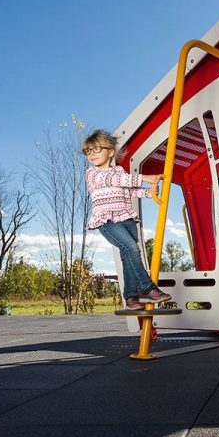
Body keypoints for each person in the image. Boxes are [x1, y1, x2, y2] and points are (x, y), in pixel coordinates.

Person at [83, 129, 171, 310]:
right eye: (88, 151)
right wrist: (145, 178)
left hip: (126, 218)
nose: (91, 154)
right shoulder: (93, 174)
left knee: (128, 256)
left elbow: (129, 191)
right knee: (131, 248)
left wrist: (150, 192)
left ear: (111, 151)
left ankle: (130, 297)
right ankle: (147, 288)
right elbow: (114, 179)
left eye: (96, 149)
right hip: (107, 220)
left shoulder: (120, 172)